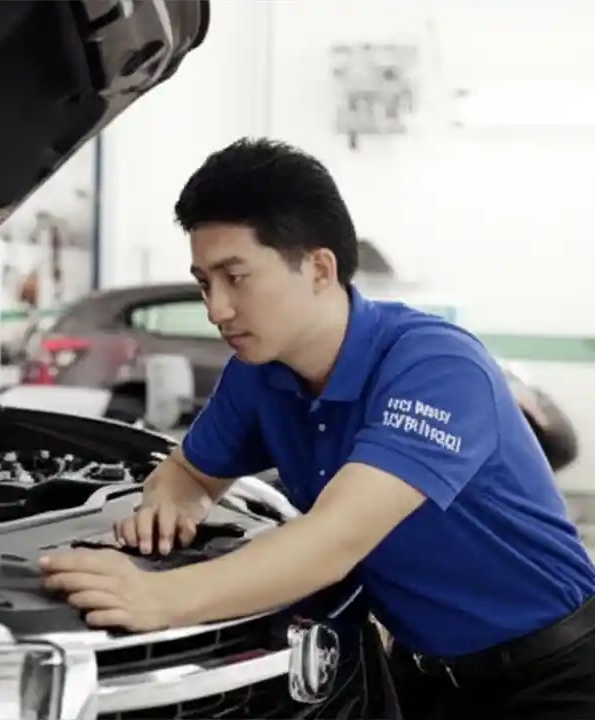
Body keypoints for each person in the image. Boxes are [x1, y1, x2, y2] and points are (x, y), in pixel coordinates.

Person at [37, 137, 595, 719]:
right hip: (424, 676)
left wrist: (157, 599)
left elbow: (336, 541)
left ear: (320, 268)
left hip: (553, 677)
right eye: (205, 283)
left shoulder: (435, 367)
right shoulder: (258, 375)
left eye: (236, 277)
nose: (217, 309)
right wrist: (172, 505)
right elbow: (189, 471)